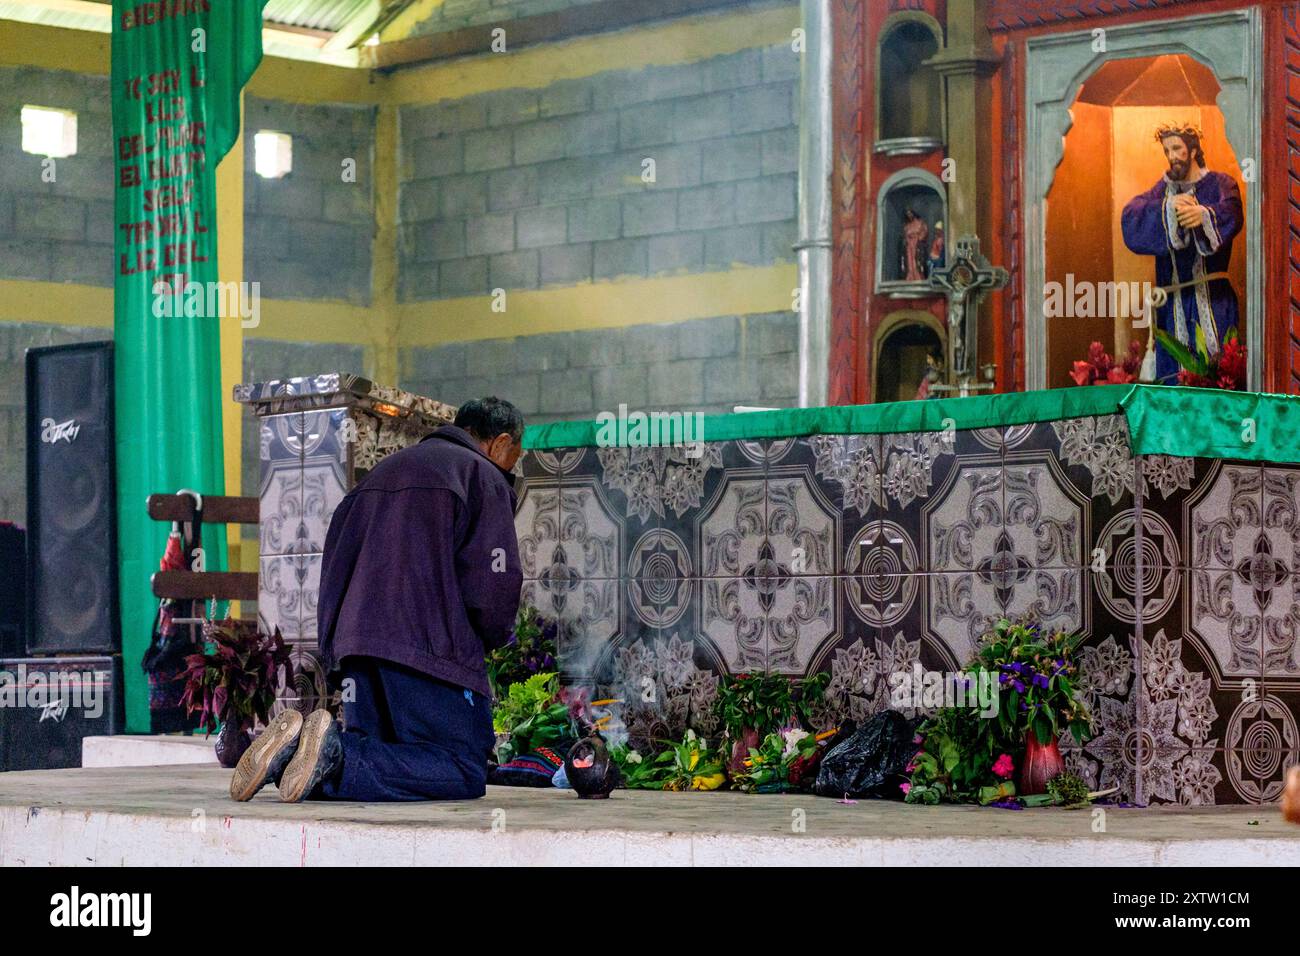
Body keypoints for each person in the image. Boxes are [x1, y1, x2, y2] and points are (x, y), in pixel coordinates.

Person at [229, 397, 525, 803]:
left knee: (386, 763)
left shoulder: (376, 477)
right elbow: (494, 584)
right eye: (515, 455)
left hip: (358, 652)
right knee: (462, 767)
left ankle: (296, 752)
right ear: (502, 442)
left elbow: (332, 570)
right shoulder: (481, 474)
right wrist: (486, 641)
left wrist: (337, 652)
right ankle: (336, 757)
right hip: (431, 653)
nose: (513, 465)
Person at [1120, 122, 1243, 384]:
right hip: (1172, 306)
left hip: (1213, 300)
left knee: (1219, 375)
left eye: (1177, 148)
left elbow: (1232, 212)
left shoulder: (1221, 184)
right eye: (1167, 150)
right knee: (1172, 379)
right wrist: (1168, 208)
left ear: (1194, 148)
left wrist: (1204, 215)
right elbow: (1131, 215)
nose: (1172, 156)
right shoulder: (1162, 190)